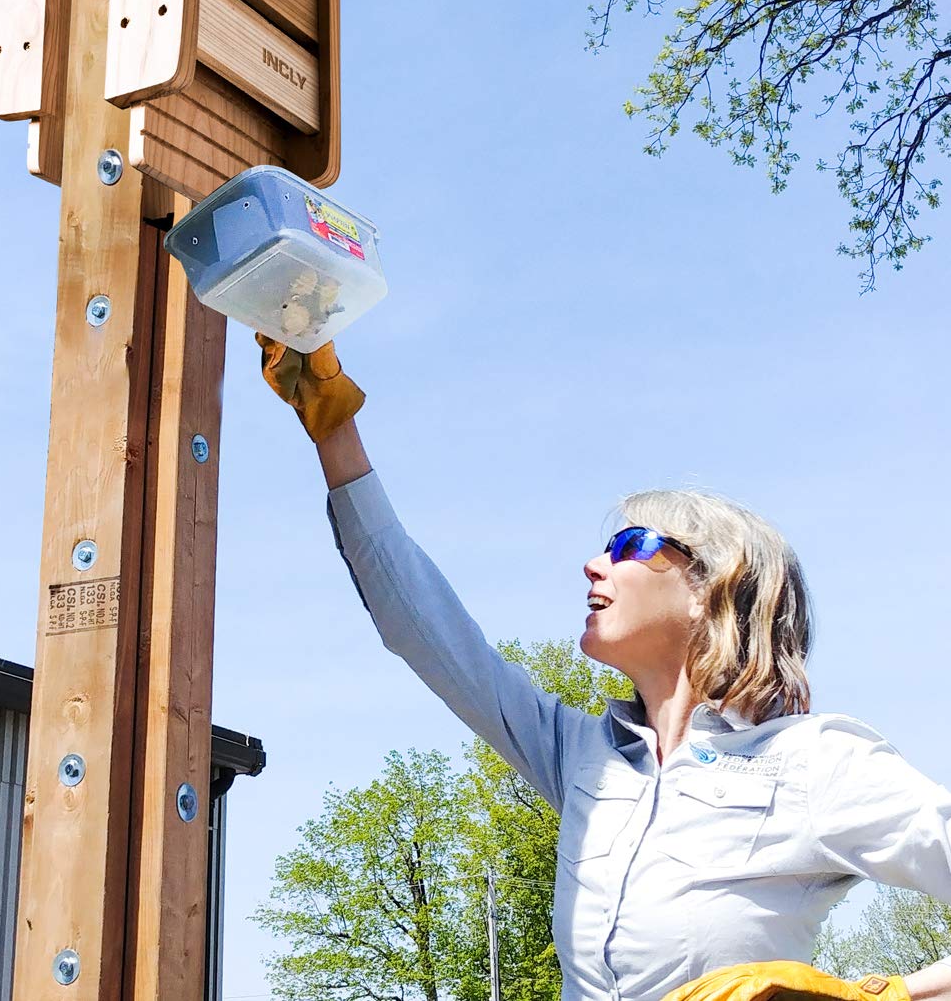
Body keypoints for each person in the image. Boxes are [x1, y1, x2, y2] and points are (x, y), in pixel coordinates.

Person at [258, 338, 951, 1001]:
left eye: (628, 544)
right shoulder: (580, 757)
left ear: (711, 584)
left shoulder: (813, 763)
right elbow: (427, 631)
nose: (595, 563)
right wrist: (331, 426)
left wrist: (884, 994)